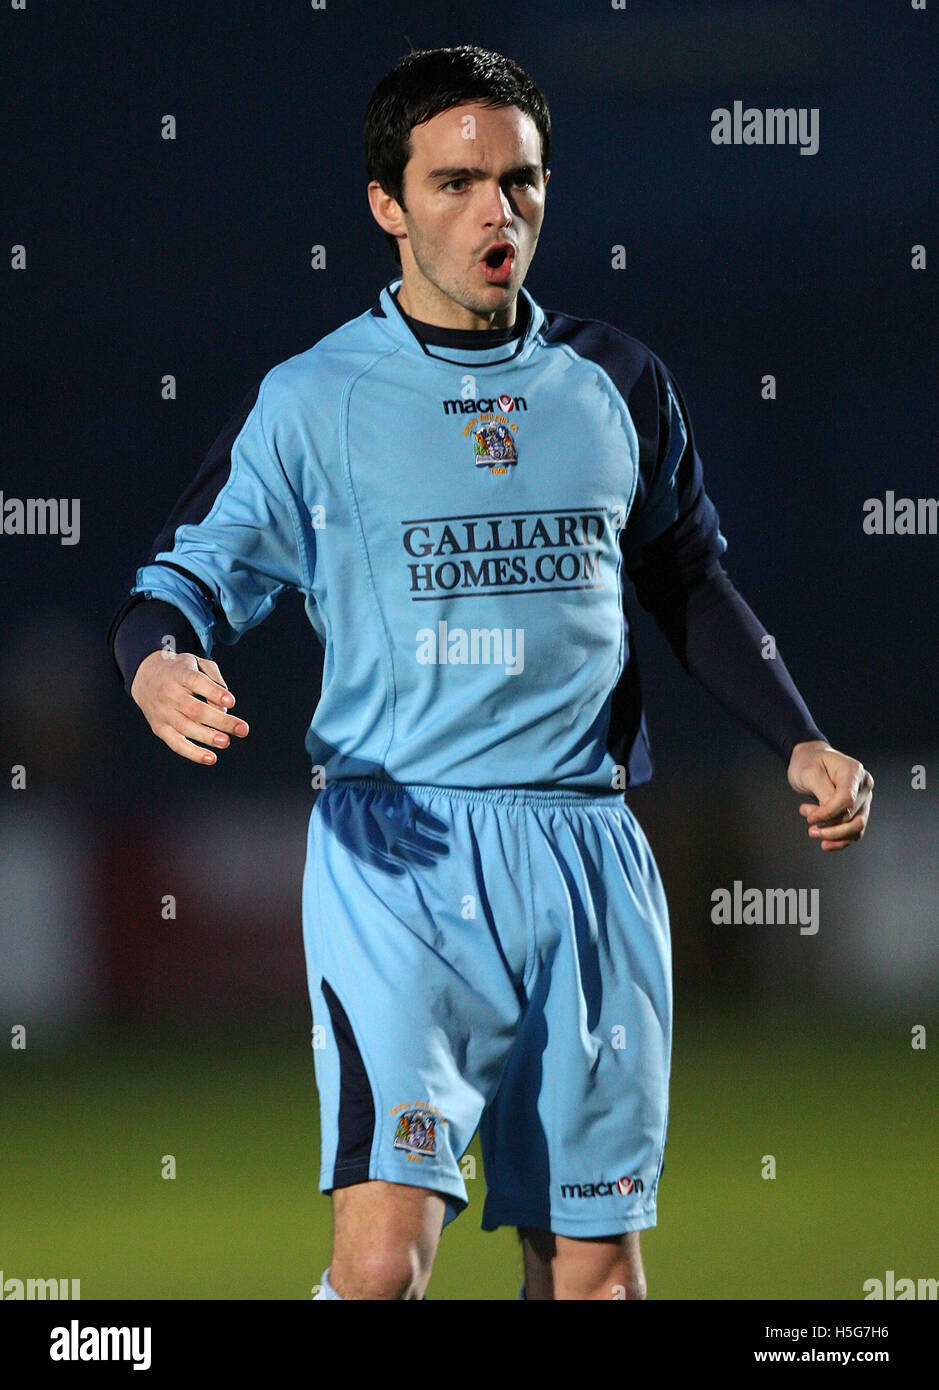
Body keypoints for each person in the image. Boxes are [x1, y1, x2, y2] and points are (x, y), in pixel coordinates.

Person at [107, 45, 874, 1300]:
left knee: (593, 1274)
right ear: (386, 204)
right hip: (398, 853)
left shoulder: (617, 382)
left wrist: (796, 734)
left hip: (588, 854)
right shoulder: (312, 402)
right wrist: (155, 664)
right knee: (379, 1267)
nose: (496, 212)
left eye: (520, 182)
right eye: (457, 182)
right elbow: (174, 583)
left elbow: (686, 575)